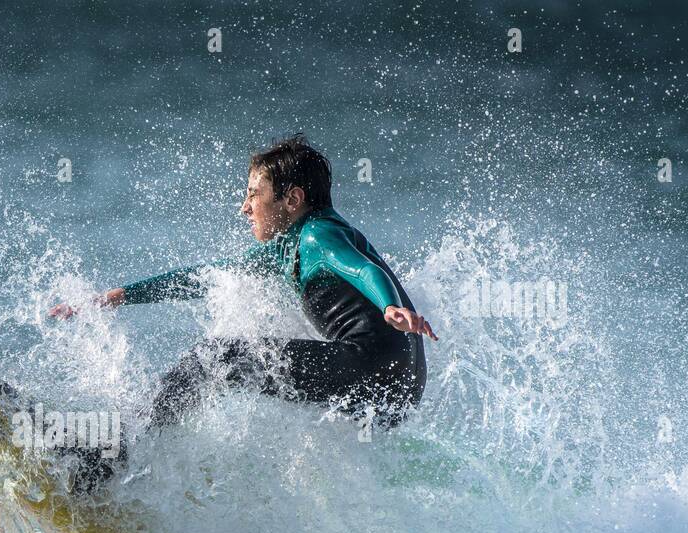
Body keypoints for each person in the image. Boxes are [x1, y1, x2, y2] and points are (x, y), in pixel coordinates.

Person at [49, 135, 438, 492]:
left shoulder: (319, 234)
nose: (245, 207)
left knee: (219, 357)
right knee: (252, 379)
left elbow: (362, 268)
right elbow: (204, 279)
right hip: (398, 390)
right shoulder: (286, 246)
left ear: (293, 199)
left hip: (372, 367)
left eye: (254, 194)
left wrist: (391, 306)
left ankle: (113, 453)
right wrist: (118, 297)